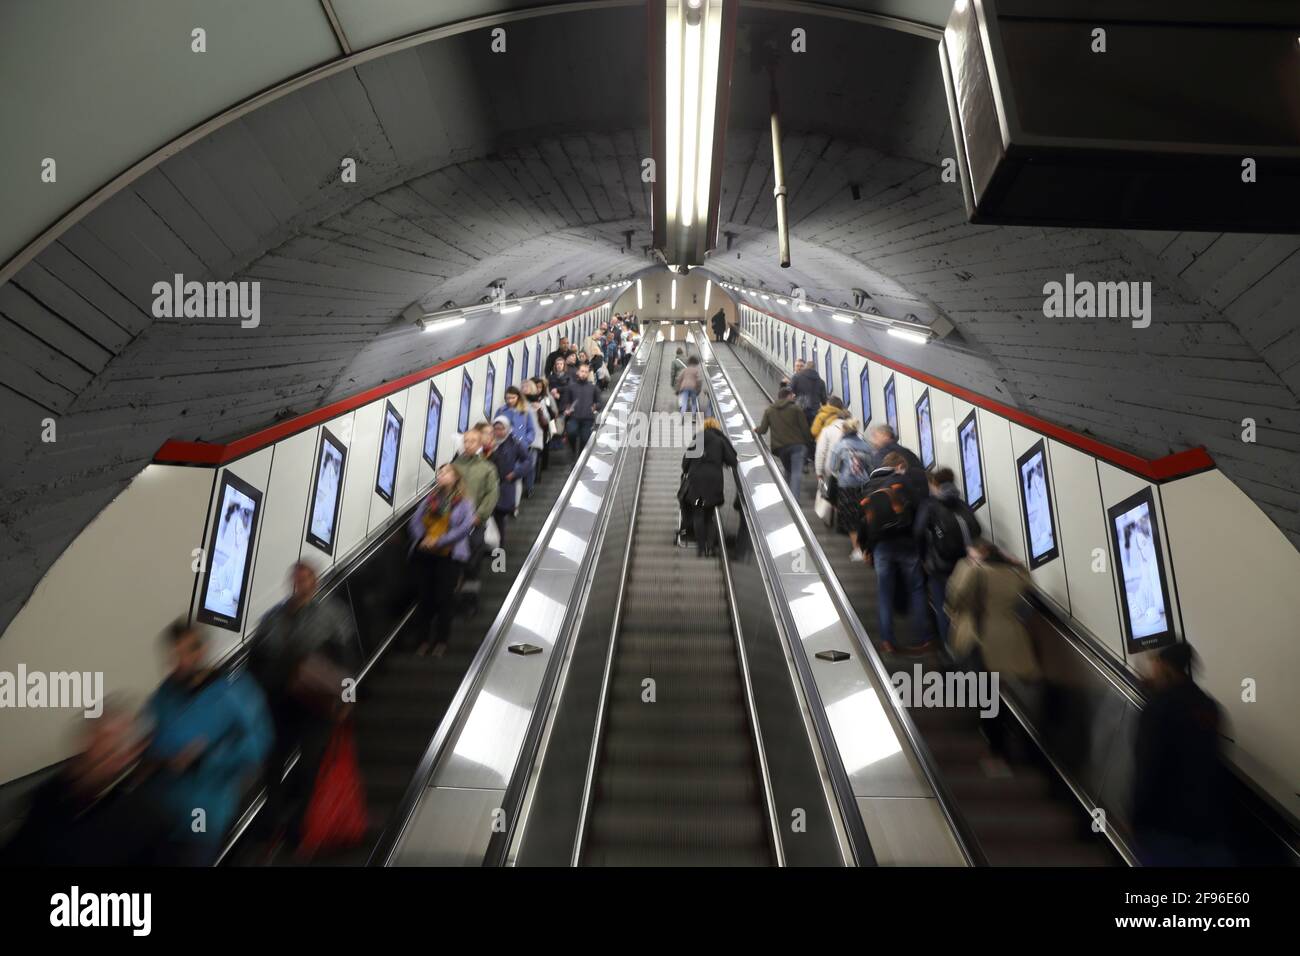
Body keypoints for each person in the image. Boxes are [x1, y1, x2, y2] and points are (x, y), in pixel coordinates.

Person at [249, 561, 355, 856]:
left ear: (316, 581)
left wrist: (347, 699)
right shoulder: (272, 617)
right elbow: (254, 658)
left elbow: (348, 658)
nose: (301, 583)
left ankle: (300, 825)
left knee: (310, 765)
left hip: (316, 703)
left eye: (307, 578)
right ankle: (271, 821)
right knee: (273, 764)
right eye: (296, 578)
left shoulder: (333, 614)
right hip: (279, 701)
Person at [145, 621, 272, 864]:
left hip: (204, 809)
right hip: (161, 809)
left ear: (202, 651)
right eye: (175, 655)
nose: (181, 662)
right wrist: (158, 756)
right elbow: (150, 738)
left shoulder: (234, 692)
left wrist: (208, 758)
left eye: (187, 652)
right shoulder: (163, 695)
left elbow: (259, 742)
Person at [1, 701, 179, 865]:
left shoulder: (147, 823)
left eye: (103, 753)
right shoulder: (52, 791)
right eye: (85, 749)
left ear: (127, 757)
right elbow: (18, 849)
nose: (84, 762)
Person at [1132, 642, 1231, 865]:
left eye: (1156, 664)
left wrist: (1137, 818)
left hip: (1164, 827)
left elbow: (1148, 766)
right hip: (1207, 824)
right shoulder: (1209, 707)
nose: (1152, 670)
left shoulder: (1157, 709)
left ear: (1166, 667)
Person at [944, 539, 1039, 768]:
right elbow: (1028, 584)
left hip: (980, 635)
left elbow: (955, 597)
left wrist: (967, 567)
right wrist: (1016, 564)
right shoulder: (1013, 573)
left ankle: (996, 744)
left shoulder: (977, 572)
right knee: (995, 689)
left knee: (985, 691)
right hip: (1007, 636)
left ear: (981, 552)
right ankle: (1001, 738)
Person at [859, 452, 933, 655]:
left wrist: (866, 548)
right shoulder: (902, 481)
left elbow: (864, 521)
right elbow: (920, 509)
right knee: (916, 589)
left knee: (884, 592)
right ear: (899, 466)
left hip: (881, 545)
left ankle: (887, 640)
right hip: (906, 541)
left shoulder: (868, 486)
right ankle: (923, 638)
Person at [407, 464, 476, 657]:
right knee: (425, 597)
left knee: (444, 598)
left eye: (445, 472)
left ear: (456, 477)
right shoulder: (430, 498)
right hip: (425, 553)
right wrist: (423, 539)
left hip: (450, 555)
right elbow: (415, 521)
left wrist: (439, 541)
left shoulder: (464, 502)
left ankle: (441, 640)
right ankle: (423, 639)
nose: (441, 475)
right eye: (440, 472)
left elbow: (463, 528)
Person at [915, 467, 982, 655]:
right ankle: (970, 649)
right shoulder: (962, 504)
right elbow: (976, 530)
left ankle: (950, 651)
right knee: (964, 608)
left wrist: (923, 558)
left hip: (940, 566)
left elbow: (919, 532)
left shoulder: (930, 505)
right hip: (964, 566)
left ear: (935, 484)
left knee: (943, 607)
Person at [681, 417, 738, 557]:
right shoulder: (720, 440)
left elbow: (686, 461)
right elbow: (732, 460)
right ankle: (710, 548)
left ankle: (701, 549)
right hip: (713, 482)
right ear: (716, 427)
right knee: (709, 515)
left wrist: (688, 469)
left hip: (697, 482)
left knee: (698, 513)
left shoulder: (698, 438)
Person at [754, 386, 814, 502]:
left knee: (788, 471)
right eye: (792, 395)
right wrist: (808, 443)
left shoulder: (769, 410)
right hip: (798, 446)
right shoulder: (796, 409)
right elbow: (805, 429)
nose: (794, 397)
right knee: (796, 472)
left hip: (781, 448)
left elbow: (763, 429)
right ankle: (794, 502)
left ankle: (786, 499)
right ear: (788, 396)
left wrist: (756, 430)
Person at [826, 420, 875, 560]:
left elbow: (833, 467)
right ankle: (867, 548)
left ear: (844, 430)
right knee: (863, 516)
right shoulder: (866, 445)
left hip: (846, 485)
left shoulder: (840, 445)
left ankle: (857, 549)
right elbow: (871, 467)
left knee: (850, 517)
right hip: (864, 485)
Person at [488, 416, 528, 549]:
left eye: (501, 429)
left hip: (505, 485)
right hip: (488, 487)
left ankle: (500, 546)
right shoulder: (488, 443)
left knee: (499, 516)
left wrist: (516, 473)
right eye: (496, 428)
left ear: (507, 429)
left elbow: (527, 461)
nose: (498, 432)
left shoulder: (514, 443)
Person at [867, 424, 928, 503]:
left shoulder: (880, 455)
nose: (872, 440)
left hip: (898, 502)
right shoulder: (909, 453)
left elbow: (882, 481)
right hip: (919, 499)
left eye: (875, 436)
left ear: (886, 435)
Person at [495, 386, 536, 495]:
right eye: (508, 398)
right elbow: (495, 426)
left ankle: (529, 488)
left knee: (526, 467)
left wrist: (527, 441)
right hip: (506, 446)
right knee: (511, 472)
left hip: (522, 445)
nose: (510, 400)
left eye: (512, 398)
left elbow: (531, 429)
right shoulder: (501, 411)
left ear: (518, 397)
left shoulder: (525, 411)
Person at [560, 362, 601, 452]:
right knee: (571, 432)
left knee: (585, 439)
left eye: (586, 372)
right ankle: (573, 449)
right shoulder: (571, 387)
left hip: (588, 418)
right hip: (574, 417)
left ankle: (580, 457)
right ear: (577, 372)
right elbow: (565, 402)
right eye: (582, 371)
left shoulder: (593, 388)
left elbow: (599, 403)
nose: (584, 374)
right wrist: (567, 409)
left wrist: (595, 407)